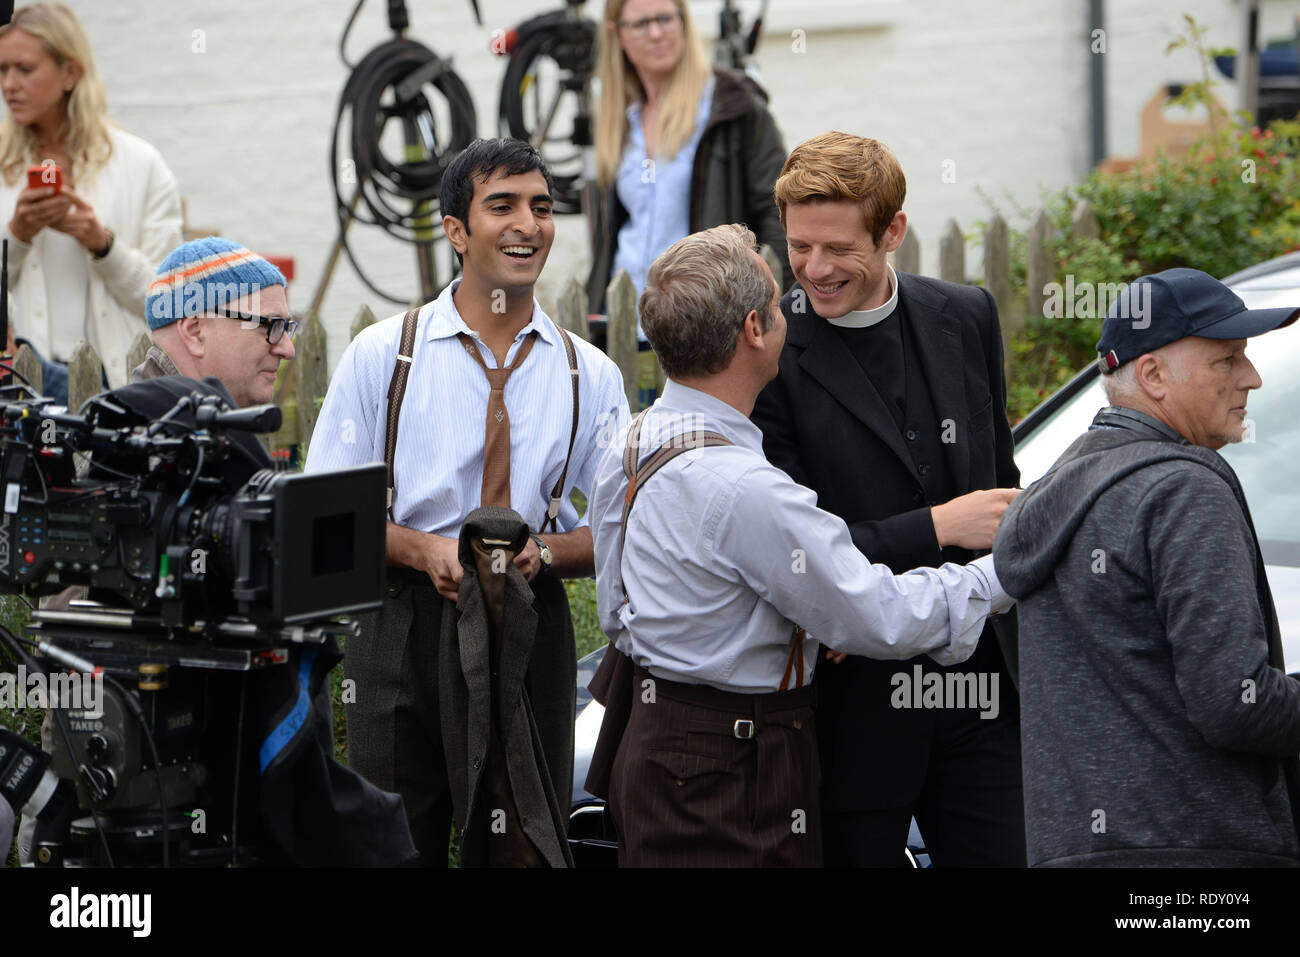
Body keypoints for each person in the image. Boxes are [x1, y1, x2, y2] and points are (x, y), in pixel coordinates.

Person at [588, 223, 1015, 866]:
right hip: (734, 758)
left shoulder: (635, 440)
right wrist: (1006, 571)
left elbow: (615, 606)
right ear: (755, 332)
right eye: (778, 300)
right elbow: (882, 617)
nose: (800, 297)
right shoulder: (748, 490)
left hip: (653, 740)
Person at [307, 138, 629, 866]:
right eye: (503, 206)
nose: (529, 224)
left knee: (522, 845)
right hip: (403, 622)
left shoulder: (590, 374)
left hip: (526, 618)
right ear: (456, 229)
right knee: (391, 842)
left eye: (542, 207)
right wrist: (424, 549)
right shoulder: (385, 355)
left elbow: (623, 530)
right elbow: (326, 514)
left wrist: (545, 551)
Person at [750, 132, 1025, 867]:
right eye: (799, 246)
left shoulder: (966, 314)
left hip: (980, 693)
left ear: (893, 230)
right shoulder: (770, 349)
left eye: (838, 247)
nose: (814, 269)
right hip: (850, 703)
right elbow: (793, 547)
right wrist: (937, 527)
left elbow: (1002, 485)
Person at [993, 268, 1300, 867]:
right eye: (1227, 359)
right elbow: (1235, 703)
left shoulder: (1053, 492)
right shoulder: (1182, 490)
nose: (1252, 377)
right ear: (1154, 375)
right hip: (1196, 865)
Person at [0, 1, 182, 397]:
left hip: (119, 387)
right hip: (24, 393)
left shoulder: (140, 165)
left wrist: (102, 243)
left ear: (70, 73)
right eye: (2, 69)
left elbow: (170, 303)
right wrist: (16, 238)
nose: (9, 84)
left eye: (24, 69)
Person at [585, 0, 790, 323]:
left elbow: (779, 211)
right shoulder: (619, 117)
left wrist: (760, 309)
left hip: (706, 322)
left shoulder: (733, 107)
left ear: (683, 23)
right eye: (640, 24)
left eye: (665, 19)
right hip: (624, 322)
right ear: (616, 34)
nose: (656, 33)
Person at [137, 235, 297, 407]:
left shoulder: (193, 426)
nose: (288, 350)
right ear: (195, 332)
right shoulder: (141, 430)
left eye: (285, 328)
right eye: (270, 325)